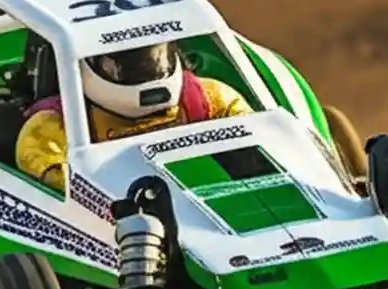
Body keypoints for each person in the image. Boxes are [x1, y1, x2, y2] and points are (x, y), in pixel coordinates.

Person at [15, 42, 252, 189]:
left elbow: (256, 141)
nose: (145, 69)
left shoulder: (210, 97)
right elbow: (66, 187)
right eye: (128, 65)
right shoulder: (51, 127)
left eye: (153, 58)